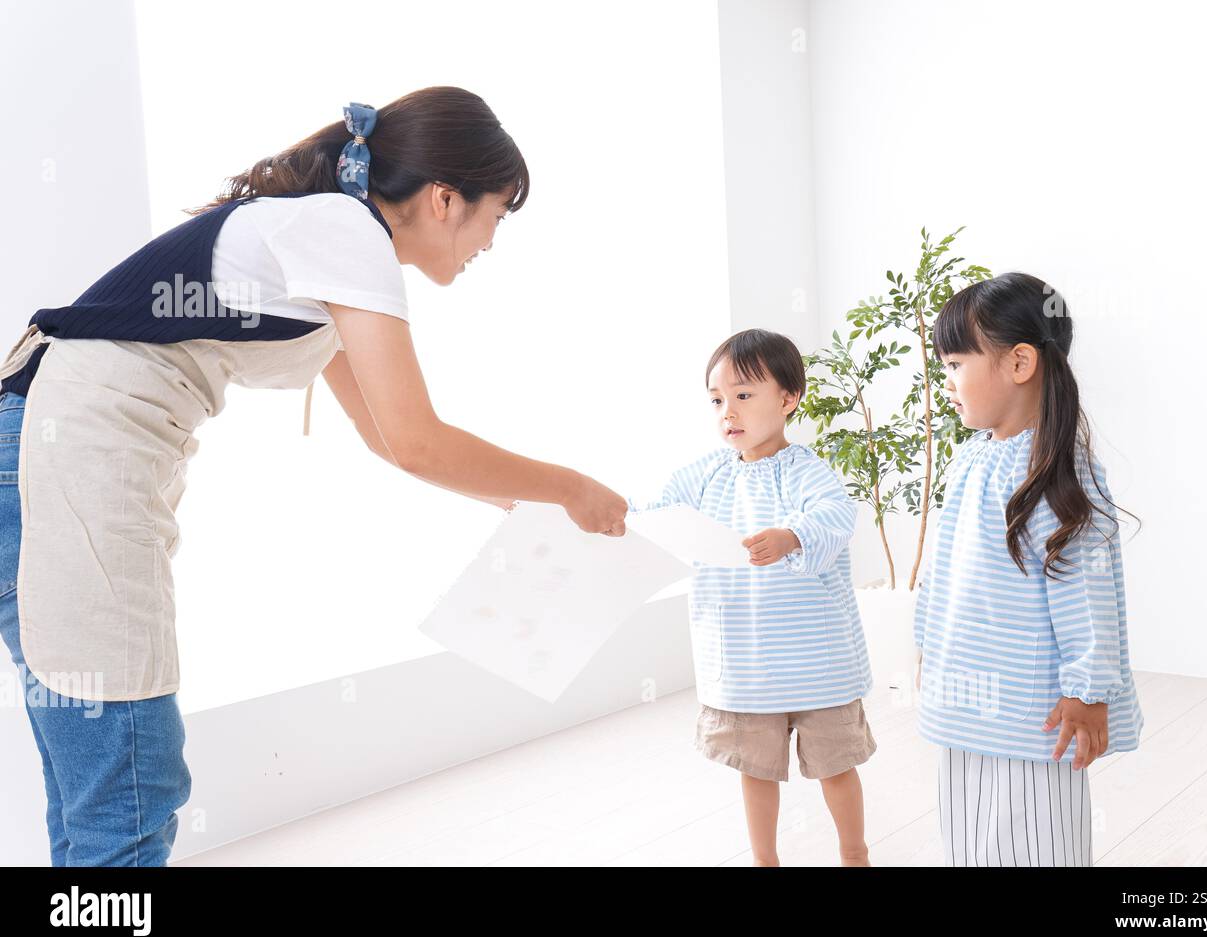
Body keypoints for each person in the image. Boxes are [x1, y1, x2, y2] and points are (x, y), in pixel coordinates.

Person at [0, 87, 627, 866]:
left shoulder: (323, 245)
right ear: (443, 199)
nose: (490, 244)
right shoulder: (343, 233)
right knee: (126, 783)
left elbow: (386, 438)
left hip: (37, 441)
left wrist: (528, 508)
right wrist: (570, 486)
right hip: (70, 451)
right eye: (496, 216)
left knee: (93, 773)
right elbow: (418, 439)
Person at [913, 272, 1144, 866]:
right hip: (964, 699)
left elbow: (1083, 588)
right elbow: (944, 573)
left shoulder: (1057, 469)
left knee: (1039, 844)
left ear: (1019, 363)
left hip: (1034, 715)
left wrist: (1088, 691)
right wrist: (926, 648)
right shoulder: (971, 461)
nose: (948, 383)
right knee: (969, 839)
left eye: (956, 364)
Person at [626, 329, 876, 867]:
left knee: (836, 765)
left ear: (787, 399)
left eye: (743, 395)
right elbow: (656, 514)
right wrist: (605, 515)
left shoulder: (806, 471)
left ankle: (854, 852)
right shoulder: (703, 475)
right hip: (745, 661)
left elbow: (834, 516)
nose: (727, 412)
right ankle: (765, 857)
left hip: (817, 662)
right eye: (717, 400)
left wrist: (792, 537)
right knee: (756, 770)